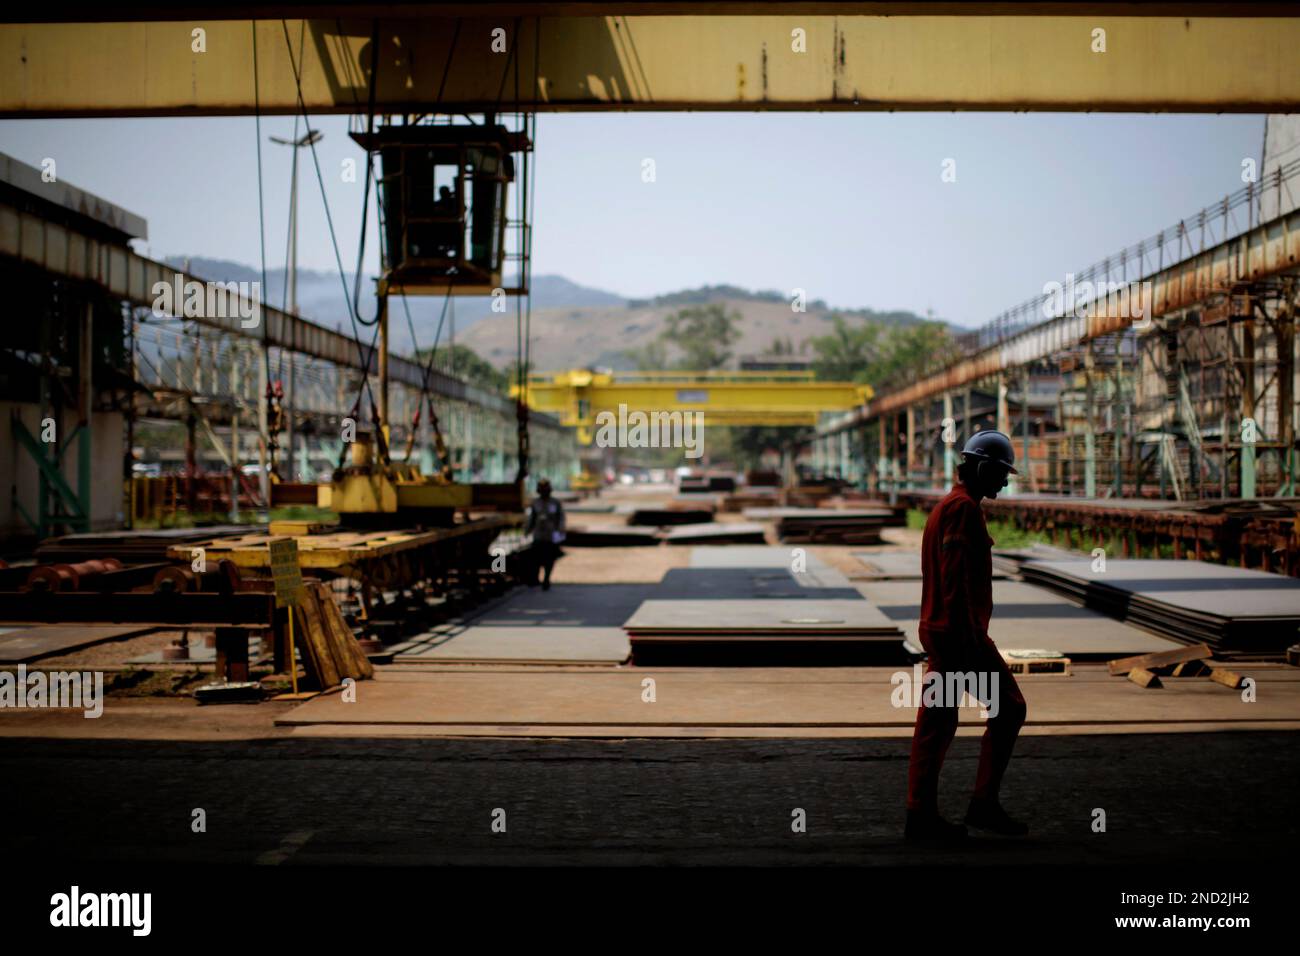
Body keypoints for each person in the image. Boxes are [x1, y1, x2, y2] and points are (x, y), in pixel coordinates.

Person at [905, 429, 1029, 843]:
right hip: (958, 634)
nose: (1005, 482)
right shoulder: (962, 510)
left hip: (943, 631)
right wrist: (974, 639)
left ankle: (922, 815)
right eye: (1000, 473)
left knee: (936, 723)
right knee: (1009, 708)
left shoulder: (950, 507)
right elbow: (956, 580)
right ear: (980, 468)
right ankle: (982, 805)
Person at [525, 478, 565, 590]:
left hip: (551, 536)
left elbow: (561, 518)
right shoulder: (536, 503)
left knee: (549, 559)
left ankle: (546, 579)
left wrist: (560, 533)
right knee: (536, 559)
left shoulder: (555, 503)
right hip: (538, 536)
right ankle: (536, 579)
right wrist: (527, 532)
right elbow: (531, 519)